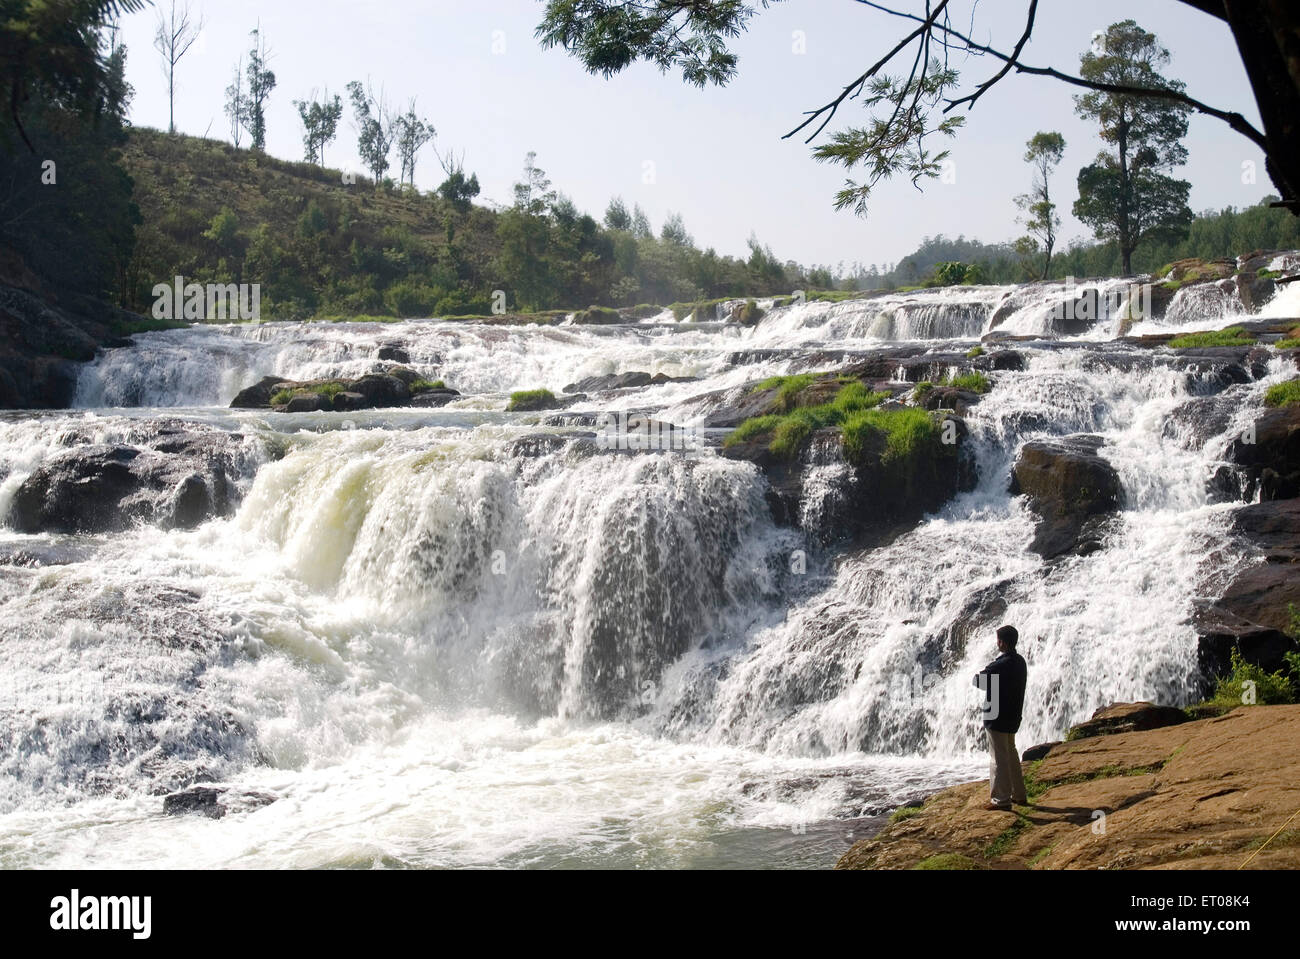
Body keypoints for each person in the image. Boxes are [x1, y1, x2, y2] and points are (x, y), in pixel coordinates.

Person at [972, 624, 1028, 811]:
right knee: (1011, 754)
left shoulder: (999, 665)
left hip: (996, 717)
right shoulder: (1020, 662)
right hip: (1013, 716)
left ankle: (1001, 800)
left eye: (998, 640)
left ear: (1002, 642)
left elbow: (978, 681)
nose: (998, 643)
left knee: (998, 758)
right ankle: (1019, 795)